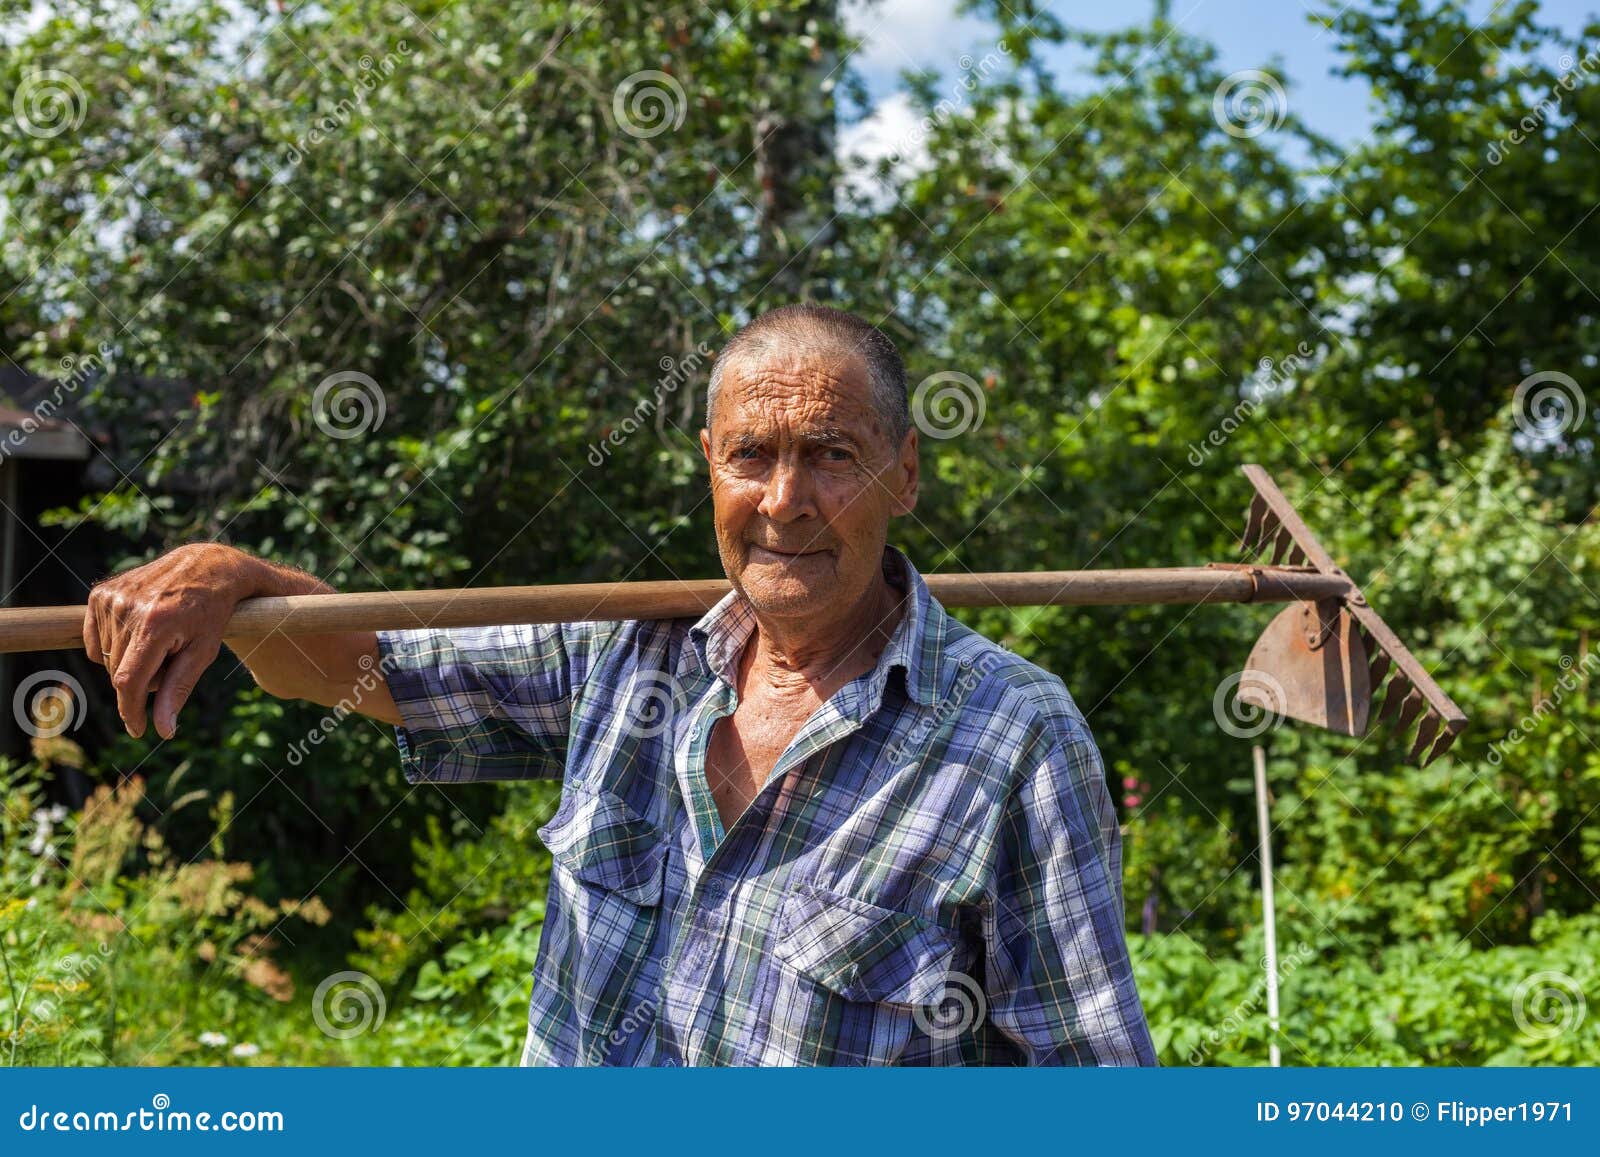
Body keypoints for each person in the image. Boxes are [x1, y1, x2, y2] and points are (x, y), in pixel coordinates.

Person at [82, 303, 1158, 1066]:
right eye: (751, 454)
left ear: (906, 473)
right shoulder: (626, 654)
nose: (785, 500)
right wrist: (239, 583)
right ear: (708, 464)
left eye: (832, 454)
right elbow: (360, 666)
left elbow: (1094, 1078)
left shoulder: (1011, 736)